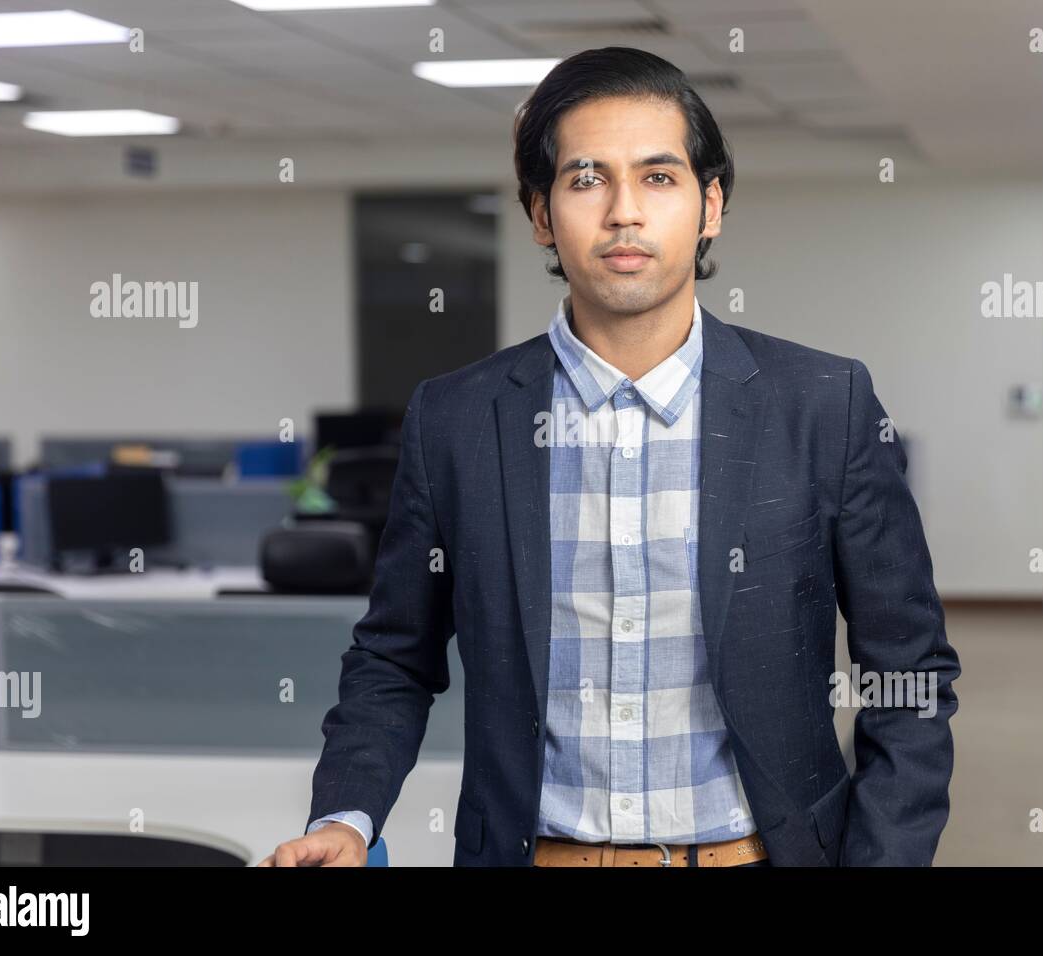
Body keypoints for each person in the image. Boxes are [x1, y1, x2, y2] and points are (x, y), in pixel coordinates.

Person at [261, 46, 960, 868]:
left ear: (711, 206)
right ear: (540, 213)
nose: (624, 212)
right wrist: (347, 816)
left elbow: (907, 675)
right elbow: (393, 657)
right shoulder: (456, 419)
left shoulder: (821, 405)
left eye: (659, 178)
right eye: (587, 179)